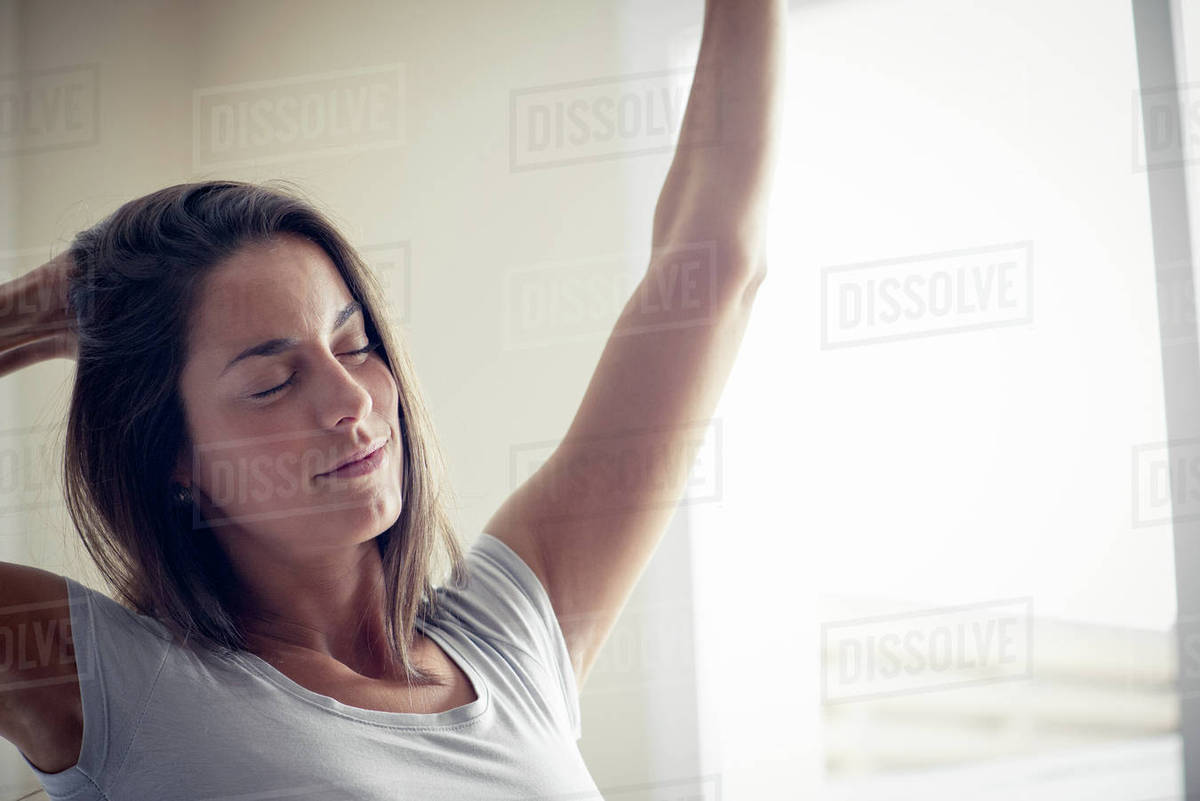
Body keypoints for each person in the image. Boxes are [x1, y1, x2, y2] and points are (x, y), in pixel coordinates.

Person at [0, 0, 785, 798]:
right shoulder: (117, 686)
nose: (351, 400)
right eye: (273, 383)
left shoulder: (509, 635)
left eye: (356, 345)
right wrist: (28, 312)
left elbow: (715, 274)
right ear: (175, 460)